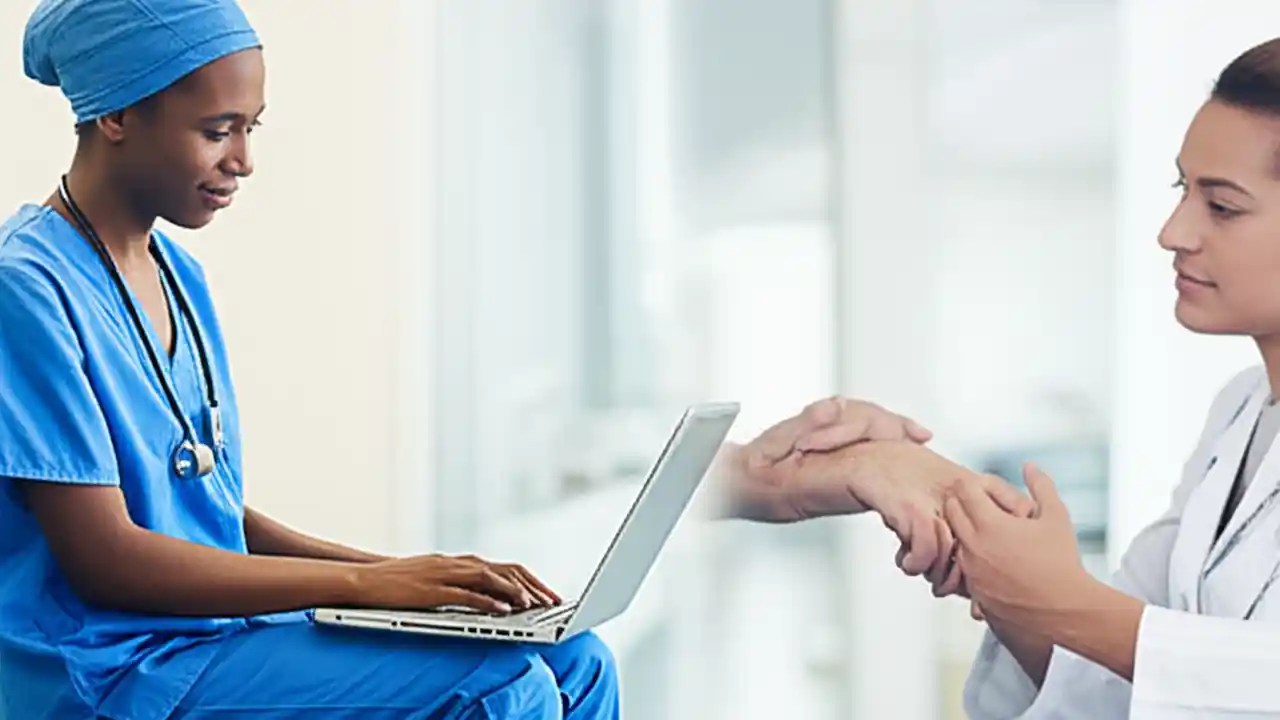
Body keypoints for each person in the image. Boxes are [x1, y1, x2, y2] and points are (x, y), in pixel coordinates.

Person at [0, 1, 1005, 718]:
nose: (244, 162)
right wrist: (361, 590)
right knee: (501, 685)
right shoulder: (29, 286)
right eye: (217, 131)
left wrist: (411, 575)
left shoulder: (176, 275)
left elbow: (211, 510)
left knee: (571, 658)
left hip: (202, 642)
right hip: (104, 670)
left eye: (251, 128)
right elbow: (109, 556)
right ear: (116, 116)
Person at [847, 36, 1280, 718]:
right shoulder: (1240, 413)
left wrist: (1059, 599)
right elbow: (1114, 680)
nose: (1173, 232)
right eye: (1182, 190)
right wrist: (998, 560)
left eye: (1221, 207)